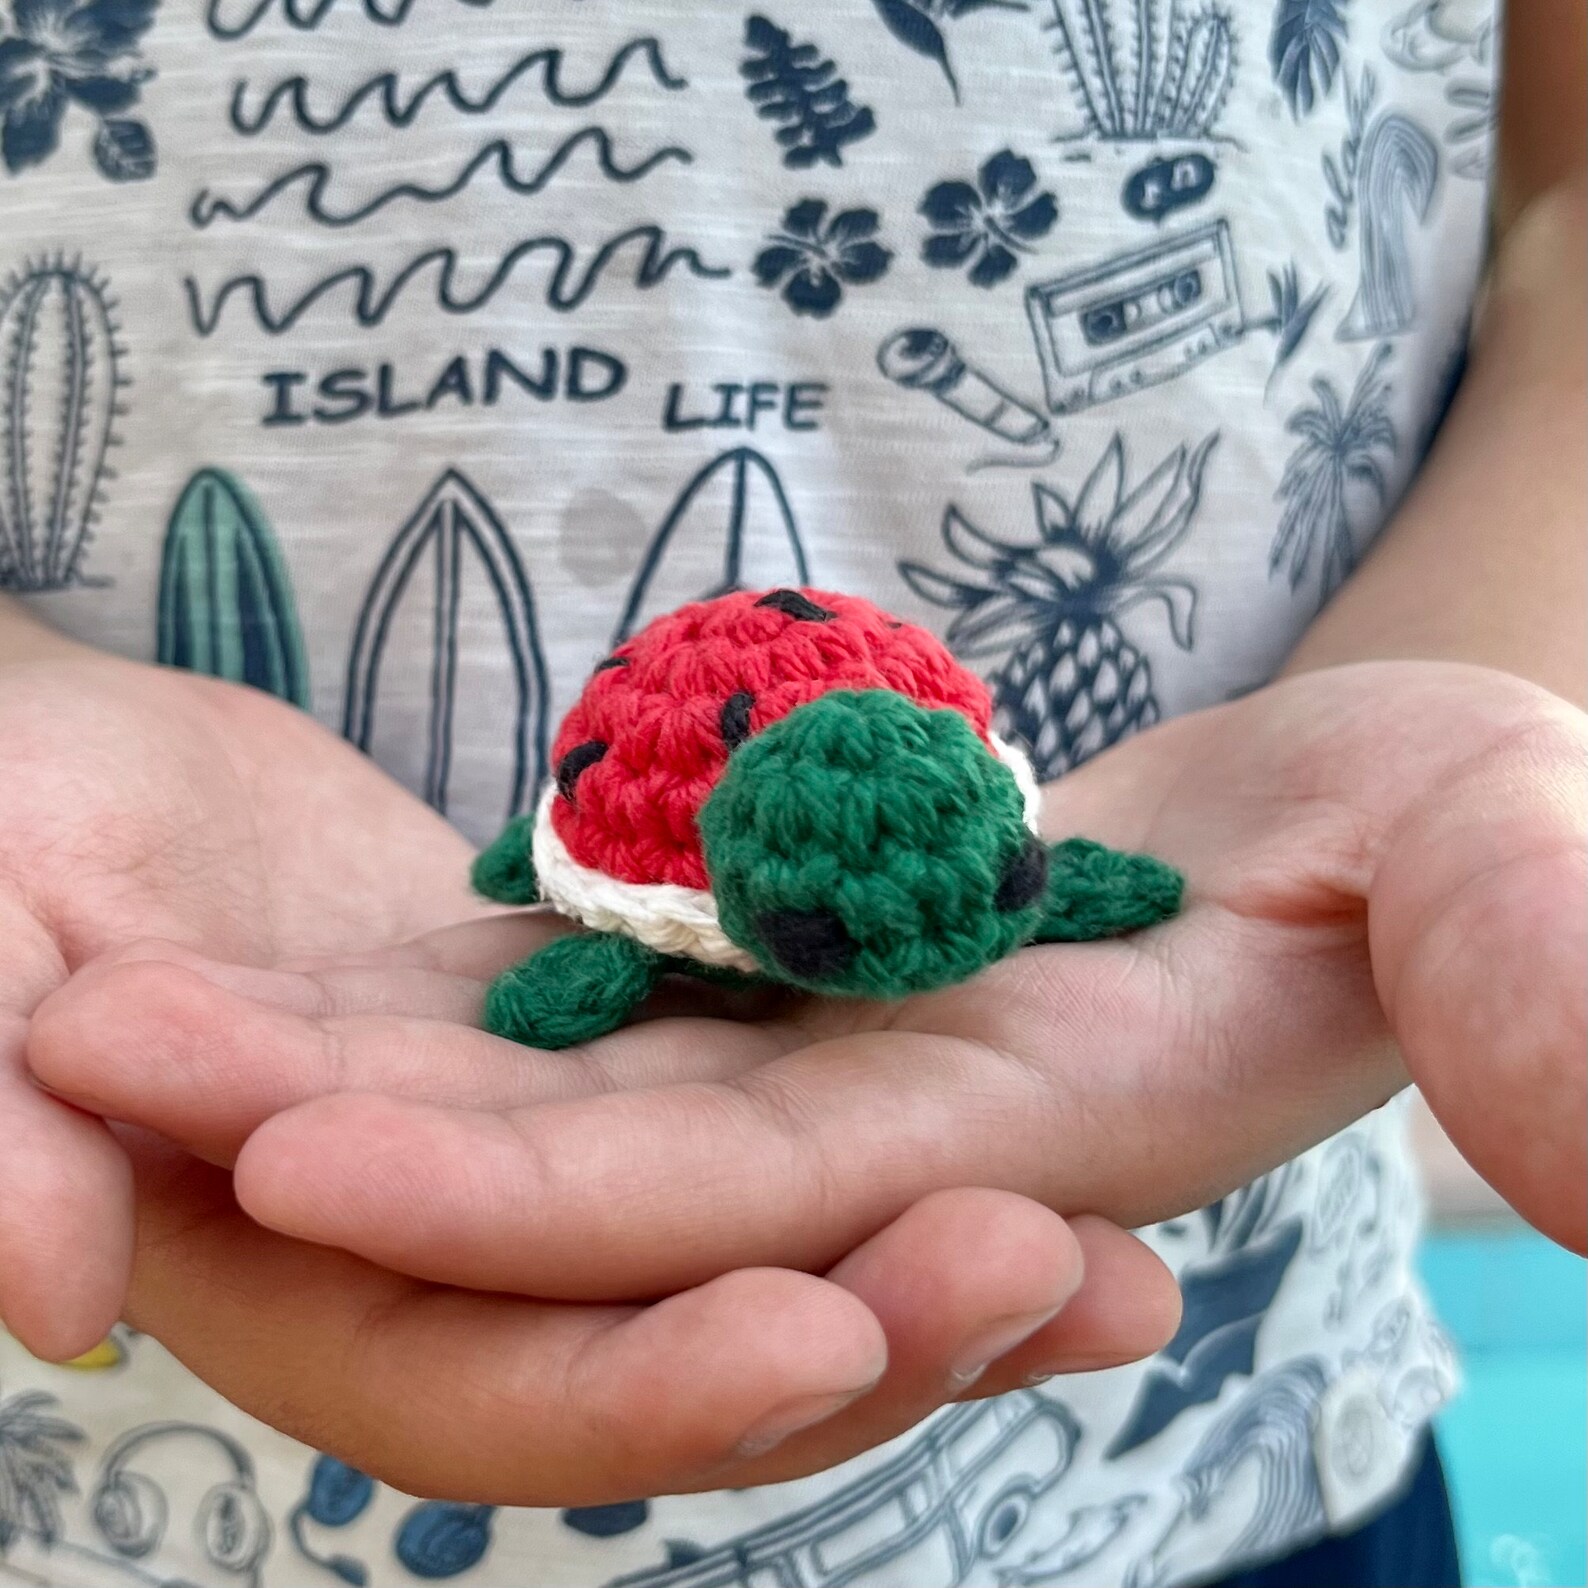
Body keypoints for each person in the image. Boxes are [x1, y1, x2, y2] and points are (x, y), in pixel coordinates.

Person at [0, 0, 1581, 1583]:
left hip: (1249, 1408)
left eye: (1014, 893)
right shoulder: (648, 915)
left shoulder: (1016, 852)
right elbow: (576, 973)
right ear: (751, 913)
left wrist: (1478, 659)